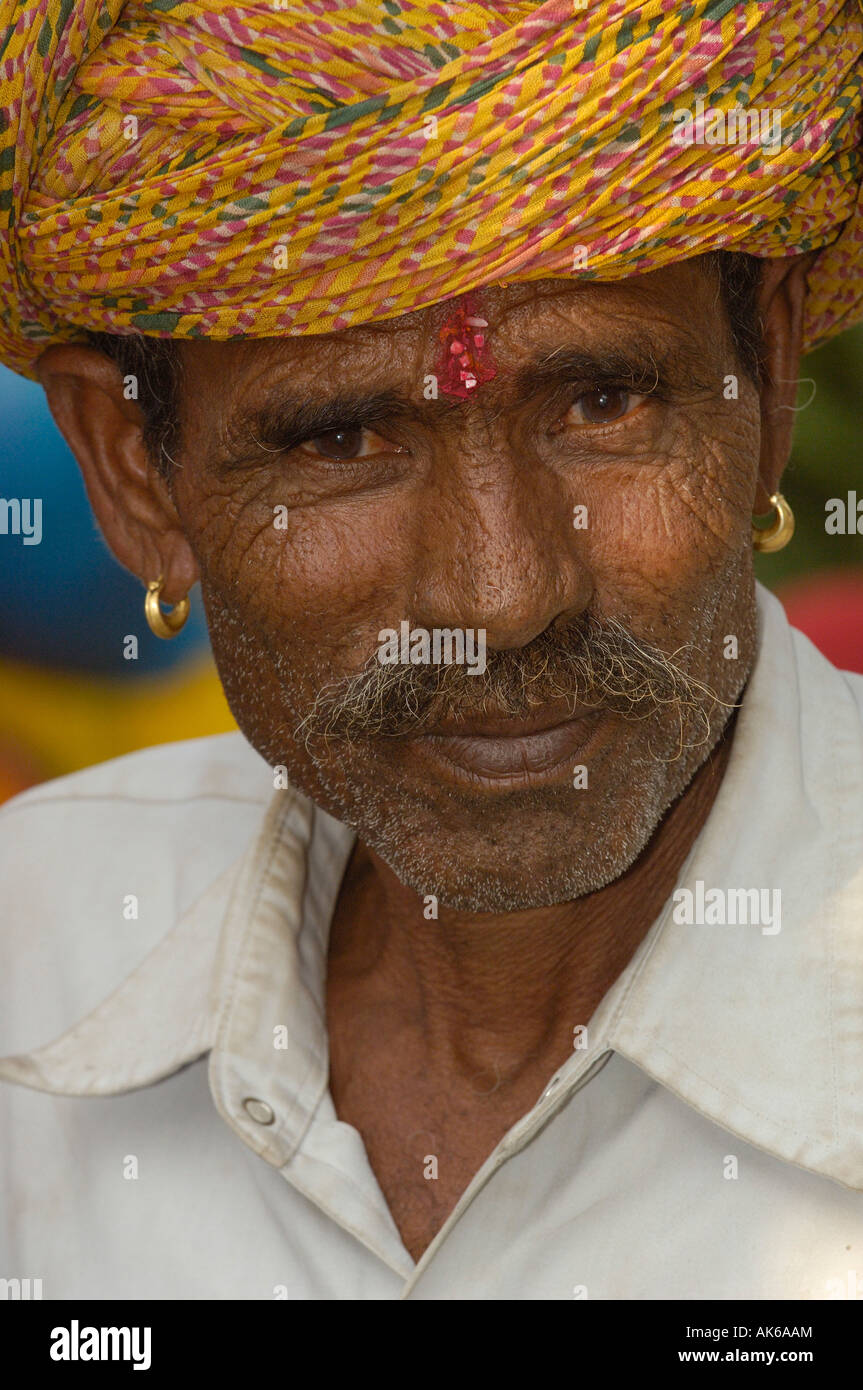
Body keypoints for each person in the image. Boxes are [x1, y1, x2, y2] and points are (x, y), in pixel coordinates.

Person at [0, 0, 862, 1300]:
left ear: (774, 369)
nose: (506, 594)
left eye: (603, 402)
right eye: (341, 441)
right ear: (134, 474)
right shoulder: (32, 951)